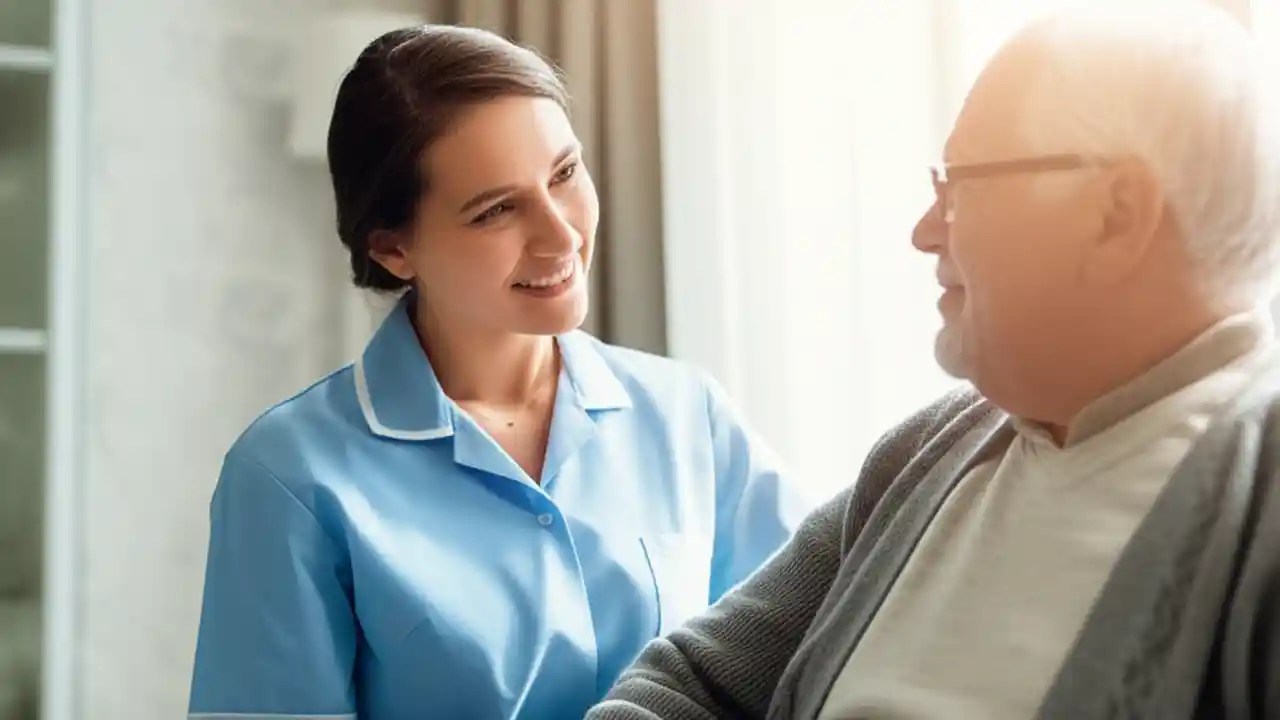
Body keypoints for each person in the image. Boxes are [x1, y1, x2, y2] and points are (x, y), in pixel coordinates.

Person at [590, 2, 1280, 718]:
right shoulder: (931, 451)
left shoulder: (1258, 502)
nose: (924, 233)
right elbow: (694, 683)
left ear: (1117, 213)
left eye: (959, 187)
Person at [187, 25, 806, 720]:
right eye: (497, 210)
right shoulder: (292, 475)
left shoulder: (689, 417)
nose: (562, 235)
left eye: (565, 174)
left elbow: (813, 651)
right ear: (394, 248)